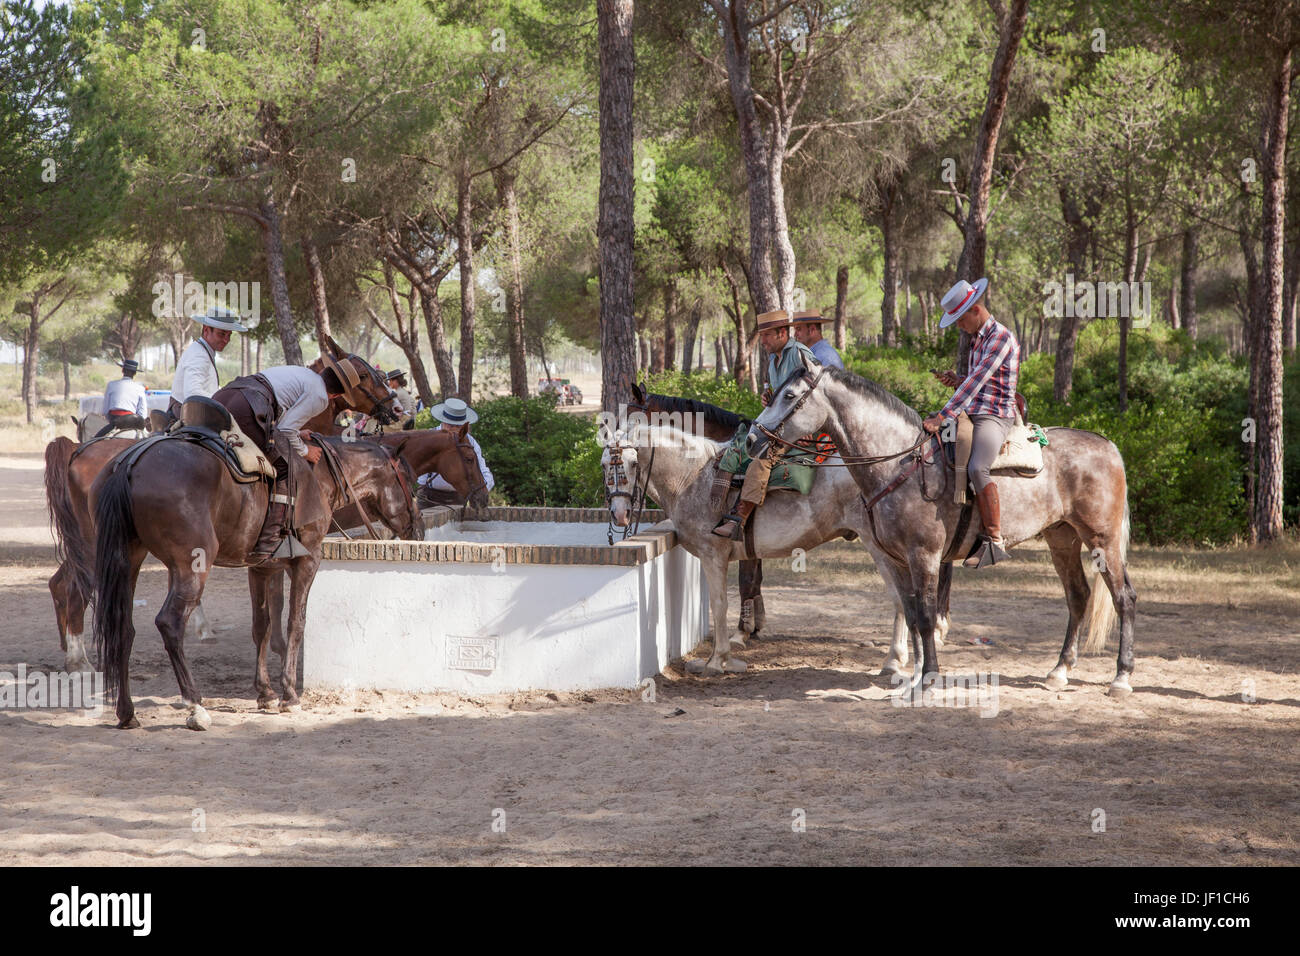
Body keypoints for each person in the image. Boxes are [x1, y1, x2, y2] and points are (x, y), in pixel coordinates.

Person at [921, 277, 1021, 568]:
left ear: (975, 309)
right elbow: (977, 382)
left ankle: (994, 539)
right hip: (974, 411)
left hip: (995, 415)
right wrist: (957, 381)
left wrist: (942, 417)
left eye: (959, 319)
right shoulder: (978, 340)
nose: (957, 326)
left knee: (978, 466)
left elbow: (977, 383)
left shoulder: (1000, 338)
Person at [213, 361, 355, 560]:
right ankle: (270, 540)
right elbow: (287, 430)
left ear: (324, 372)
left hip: (225, 396)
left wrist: (298, 431)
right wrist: (305, 451)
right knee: (284, 468)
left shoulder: (304, 374)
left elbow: (285, 422)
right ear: (337, 395)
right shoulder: (321, 396)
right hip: (248, 407)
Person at [712, 310, 817, 538]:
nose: (763, 341)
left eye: (767, 335)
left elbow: (816, 392)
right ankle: (715, 506)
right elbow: (778, 395)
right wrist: (767, 398)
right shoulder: (773, 361)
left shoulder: (800, 354)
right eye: (761, 336)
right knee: (735, 446)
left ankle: (739, 518)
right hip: (778, 426)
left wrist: (809, 428)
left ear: (782, 333)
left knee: (761, 459)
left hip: (797, 430)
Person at [416, 397, 494, 506]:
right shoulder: (429, 438)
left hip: (458, 498)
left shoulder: (470, 442)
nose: (455, 429)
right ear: (443, 421)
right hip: (428, 498)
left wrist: (482, 491)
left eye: (458, 426)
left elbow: (482, 470)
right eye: (450, 425)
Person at [170, 306, 248, 413]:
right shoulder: (199, 355)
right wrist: (224, 399)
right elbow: (192, 393)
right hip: (187, 417)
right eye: (221, 334)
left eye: (229, 335)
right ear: (206, 330)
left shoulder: (201, 351)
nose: (226, 340)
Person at [95, 358, 149, 437]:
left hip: (115, 421)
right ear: (134, 373)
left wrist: (111, 422)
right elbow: (143, 413)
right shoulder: (140, 388)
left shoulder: (111, 385)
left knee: (95, 440)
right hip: (133, 421)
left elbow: (105, 410)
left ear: (122, 370)